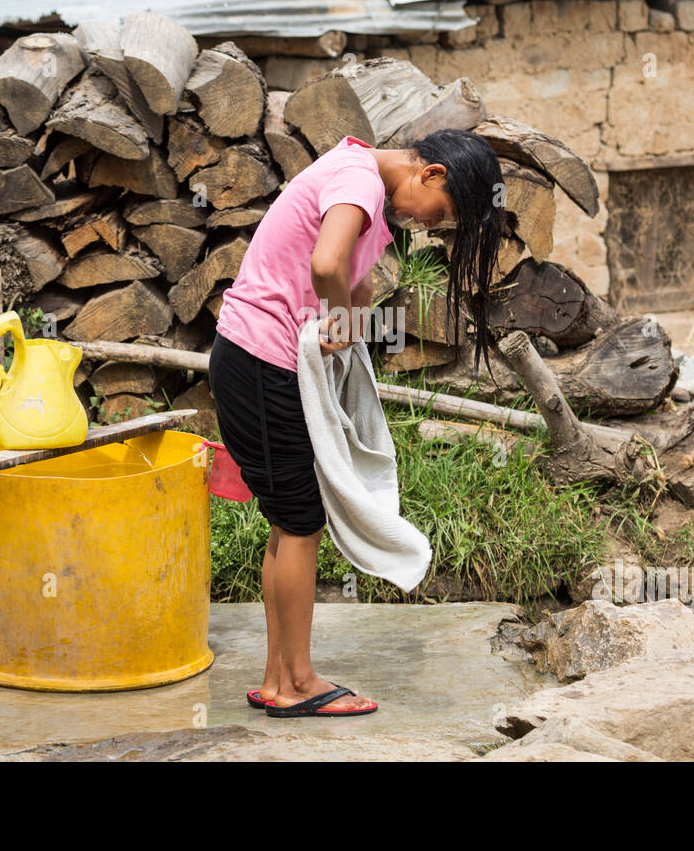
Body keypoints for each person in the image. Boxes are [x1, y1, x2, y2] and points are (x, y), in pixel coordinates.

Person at [207, 129, 507, 717]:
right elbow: (327, 263)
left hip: (259, 360)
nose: (425, 225)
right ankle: (296, 683)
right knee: (300, 521)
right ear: (433, 173)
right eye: (438, 215)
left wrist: (352, 315)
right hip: (262, 360)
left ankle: (278, 678)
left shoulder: (360, 176)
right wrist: (342, 318)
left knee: (289, 519)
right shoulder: (359, 182)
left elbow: (355, 275)